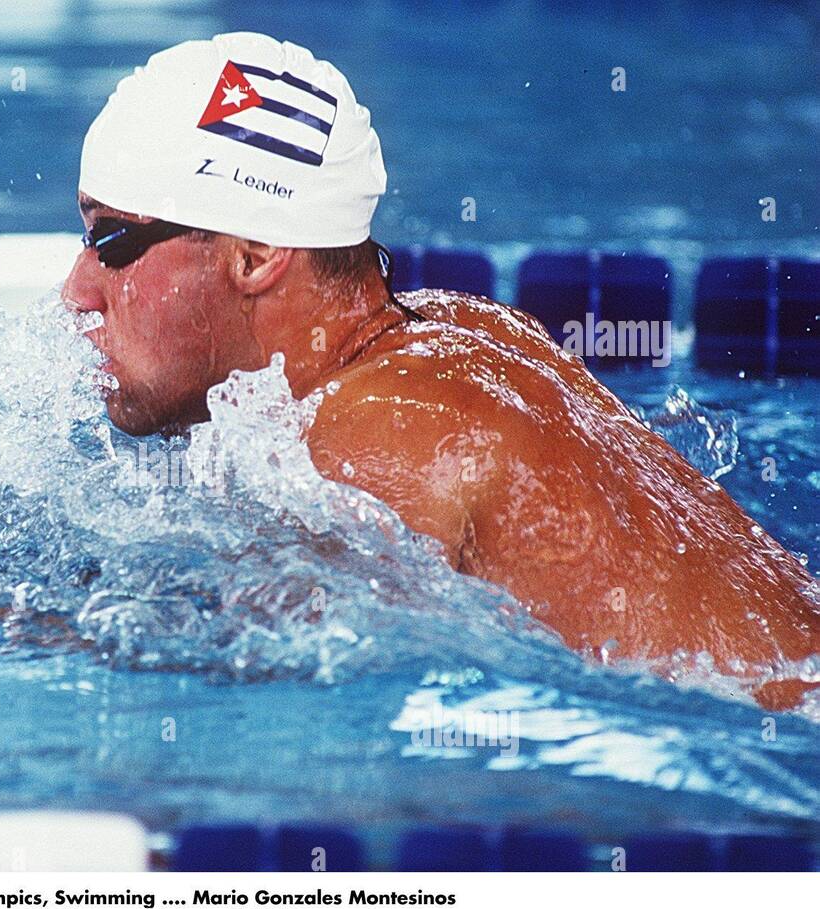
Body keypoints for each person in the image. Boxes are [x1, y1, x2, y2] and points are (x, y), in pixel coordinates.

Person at [61, 31, 820, 709]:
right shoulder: (459, 327)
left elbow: (264, 691)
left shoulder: (374, 441)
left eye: (113, 242)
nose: (77, 290)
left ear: (257, 254)